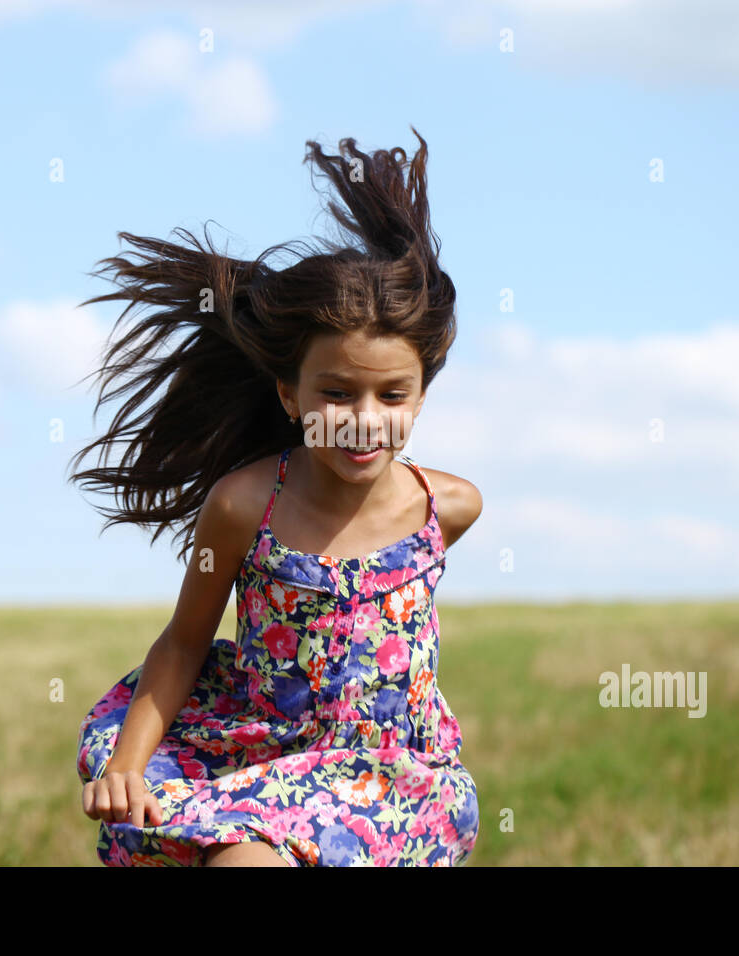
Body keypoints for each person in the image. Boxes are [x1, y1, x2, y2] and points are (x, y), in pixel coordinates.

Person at [71, 126, 482, 866]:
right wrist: (128, 765)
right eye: (336, 391)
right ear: (289, 394)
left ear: (421, 397)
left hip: (395, 788)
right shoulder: (241, 507)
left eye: (393, 394)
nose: (364, 418)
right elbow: (185, 639)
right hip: (260, 766)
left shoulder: (447, 509)